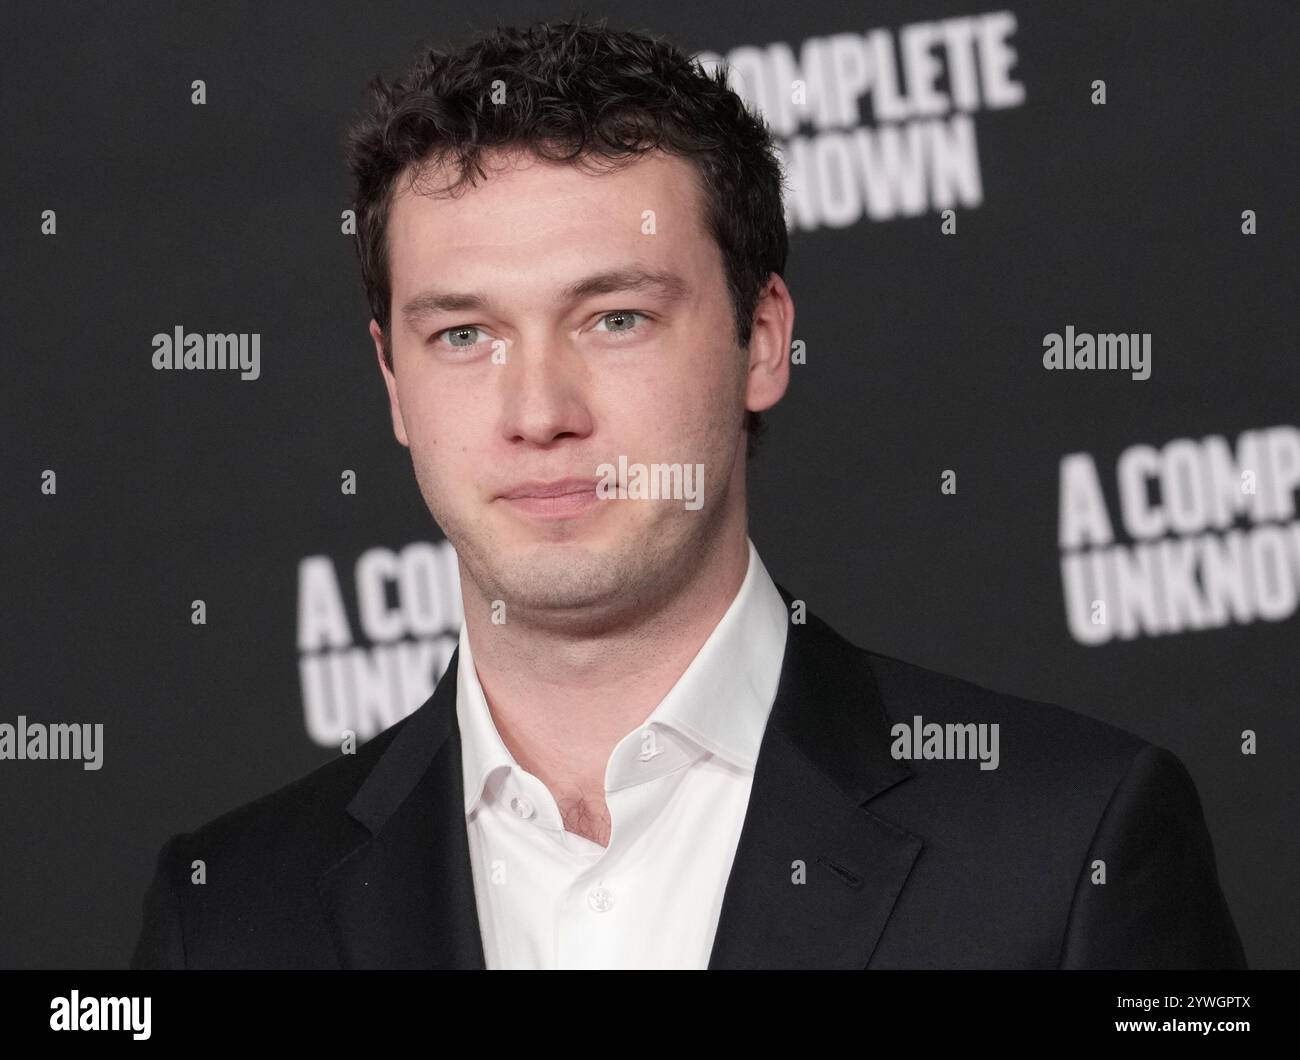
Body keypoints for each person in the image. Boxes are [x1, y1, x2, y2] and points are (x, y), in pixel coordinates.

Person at [130, 19, 1246, 970]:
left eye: (614, 318)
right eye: (463, 333)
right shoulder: (226, 912)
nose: (537, 409)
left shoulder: (1070, 846)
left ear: (761, 341)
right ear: (393, 383)